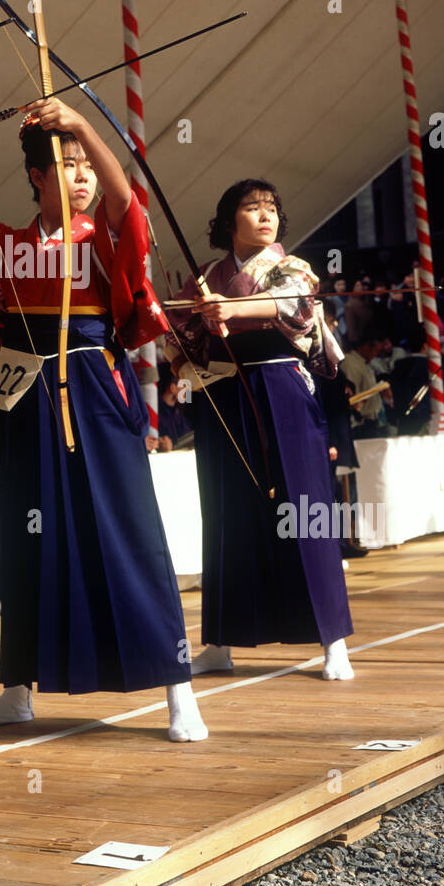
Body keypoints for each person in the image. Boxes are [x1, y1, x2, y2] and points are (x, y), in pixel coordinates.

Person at [0, 100, 206, 741]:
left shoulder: (100, 234)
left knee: (124, 525)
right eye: (63, 166)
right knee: (27, 536)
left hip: (94, 384)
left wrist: (80, 126)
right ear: (35, 179)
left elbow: (129, 204)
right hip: (25, 389)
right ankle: (17, 689)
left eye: (85, 167)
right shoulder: (6, 244)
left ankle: (177, 688)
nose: (79, 176)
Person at [167, 179, 355, 681]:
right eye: (252, 208)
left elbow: (296, 306)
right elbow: (178, 333)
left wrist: (230, 309)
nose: (265, 215)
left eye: (271, 207)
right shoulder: (207, 276)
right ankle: (223, 640)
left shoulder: (290, 267)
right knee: (228, 510)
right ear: (230, 221)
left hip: (281, 385)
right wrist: (186, 352)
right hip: (225, 392)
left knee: (305, 505)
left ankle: (333, 639)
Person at [339, 334, 393, 438]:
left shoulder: (365, 363)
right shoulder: (350, 363)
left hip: (374, 421)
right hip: (362, 424)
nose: (376, 355)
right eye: (376, 351)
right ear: (366, 346)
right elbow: (351, 396)